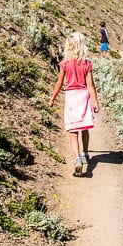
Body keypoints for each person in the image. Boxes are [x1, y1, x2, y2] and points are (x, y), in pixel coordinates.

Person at [48, 32, 100, 176]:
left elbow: (59, 83)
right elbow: (90, 85)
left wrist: (52, 98)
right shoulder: (87, 63)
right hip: (83, 96)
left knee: (72, 131)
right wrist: (95, 102)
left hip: (71, 97)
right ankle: (85, 153)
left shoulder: (64, 64)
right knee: (84, 128)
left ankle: (77, 158)